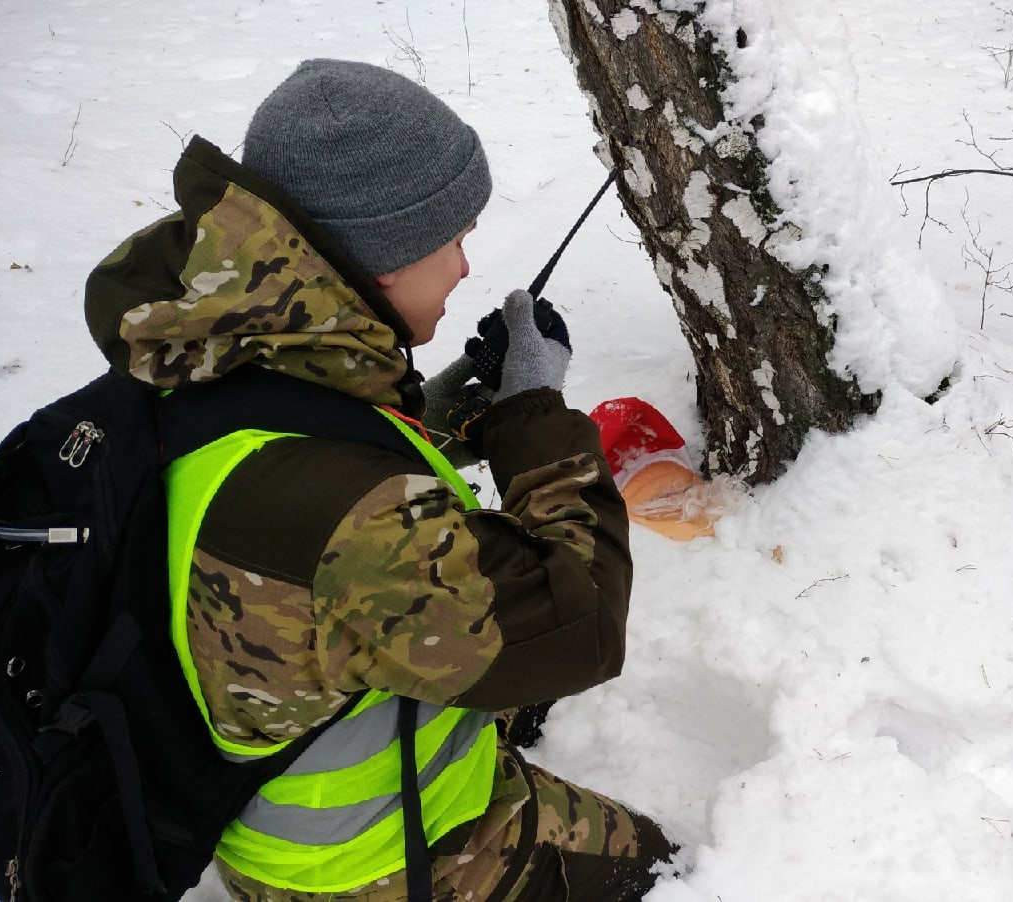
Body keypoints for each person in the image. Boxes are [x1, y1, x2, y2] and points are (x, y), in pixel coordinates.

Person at [82, 58, 674, 901]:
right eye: (455, 241)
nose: (467, 268)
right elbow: (579, 626)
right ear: (386, 259)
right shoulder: (352, 522)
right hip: (372, 864)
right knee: (674, 871)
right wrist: (534, 416)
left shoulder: (196, 351)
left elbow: (290, 458)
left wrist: (422, 418)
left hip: (257, 766)